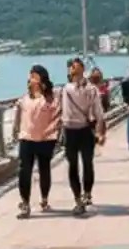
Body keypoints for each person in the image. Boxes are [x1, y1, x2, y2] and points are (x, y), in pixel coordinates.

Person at [12, 64, 60, 216]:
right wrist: (15, 130)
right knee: (24, 171)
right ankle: (25, 204)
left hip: (46, 140)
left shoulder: (51, 98)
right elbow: (19, 115)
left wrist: (56, 135)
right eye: (30, 76)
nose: (31, 79)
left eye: (34, 76)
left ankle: (44, 198)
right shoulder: (25, 98)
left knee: (44, 169)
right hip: (26, 139)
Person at [62, 59, 106, 214]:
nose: (72, 69)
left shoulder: (91, 89)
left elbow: (99, 114)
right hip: (69, 131)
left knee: (87, 163)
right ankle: (77, 199)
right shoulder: (64, 89)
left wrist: (100, 132)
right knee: (72, 165)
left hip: (85, 130)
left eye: (75, 66)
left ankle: (87, 192)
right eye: (70, 67)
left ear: (82, 68)